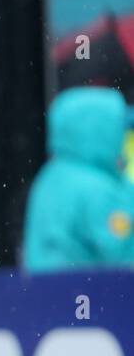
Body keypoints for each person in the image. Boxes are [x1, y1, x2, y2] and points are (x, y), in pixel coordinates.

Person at [23, 86, 134, 271]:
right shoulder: (97, 189)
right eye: (119, 129)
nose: (122, 138)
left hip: (51, 294)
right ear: (101, 132)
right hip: (96, 294)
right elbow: (123, 254)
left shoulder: (51, 177)